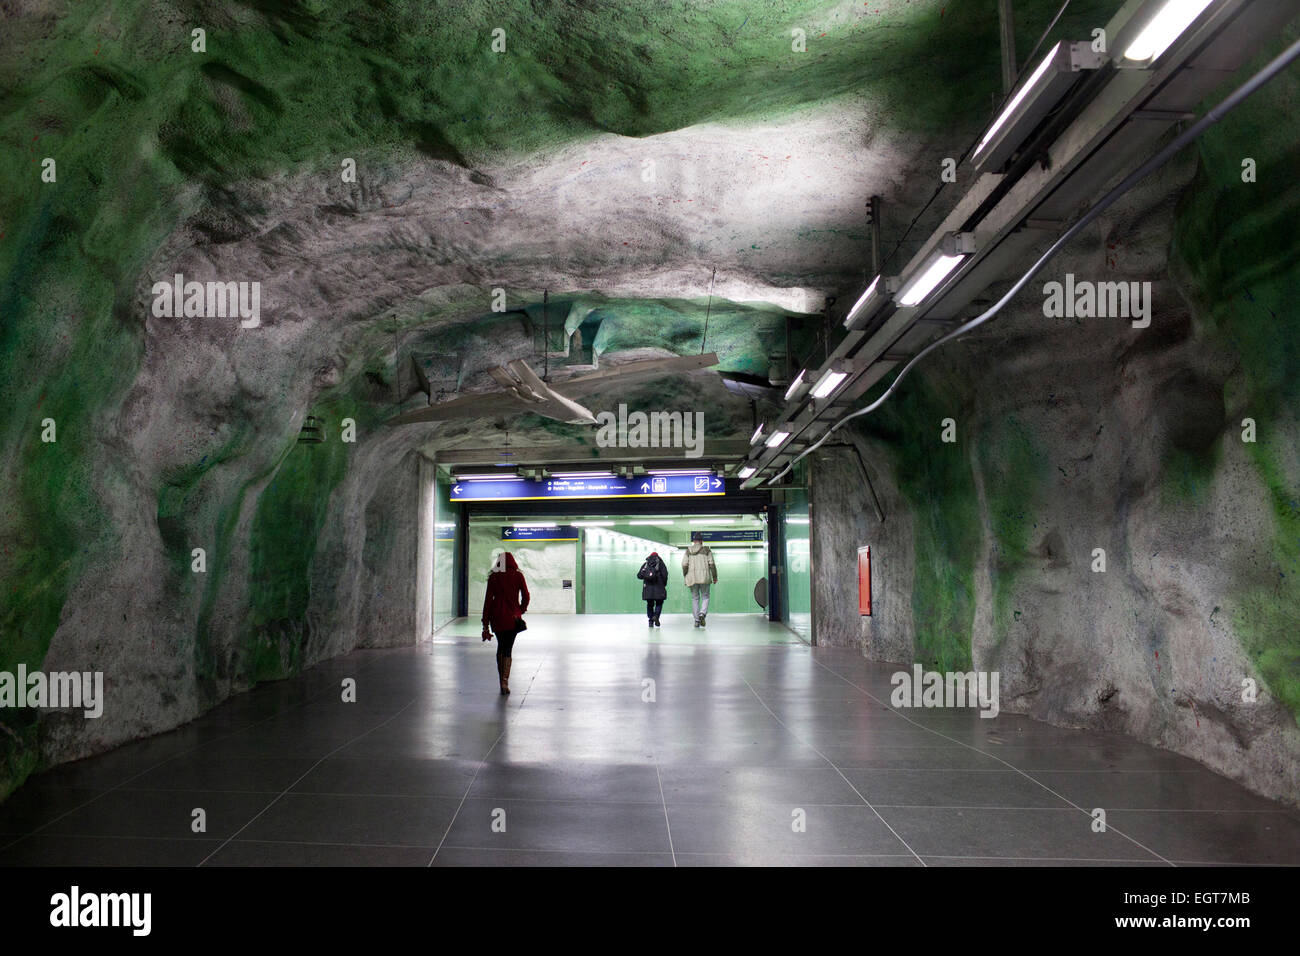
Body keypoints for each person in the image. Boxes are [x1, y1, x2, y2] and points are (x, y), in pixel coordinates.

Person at [482, 551, 529, 695]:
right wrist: (520, 610)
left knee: (500, 646)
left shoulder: (494, 577)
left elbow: (488, 601)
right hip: (512, 618)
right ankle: (505, 682)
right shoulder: (518, 576)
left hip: (496, 618)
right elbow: (526, 596)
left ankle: (501, 680)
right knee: (508, 648)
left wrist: (485, 623)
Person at [681, 532, 717, 628]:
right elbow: (712, 564)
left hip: (692, 578)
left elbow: (684, 564)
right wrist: (715, 577)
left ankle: (697, 620)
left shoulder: (688, 550)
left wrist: (685, 574)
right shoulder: (706, 550)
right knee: (705, 596)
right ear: (702, 541)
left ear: (694, 541)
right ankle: (702, 613)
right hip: (704, 577)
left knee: (695, 598)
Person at [637, 551, 668, 627]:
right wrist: (663, 585)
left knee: (650, 604)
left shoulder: (646, 564)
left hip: (648, 588)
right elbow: (665, 576)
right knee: (659, 603)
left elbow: (639, 576)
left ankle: (651, 621)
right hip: (659, 587)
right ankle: (656, 616)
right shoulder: (661, 564)